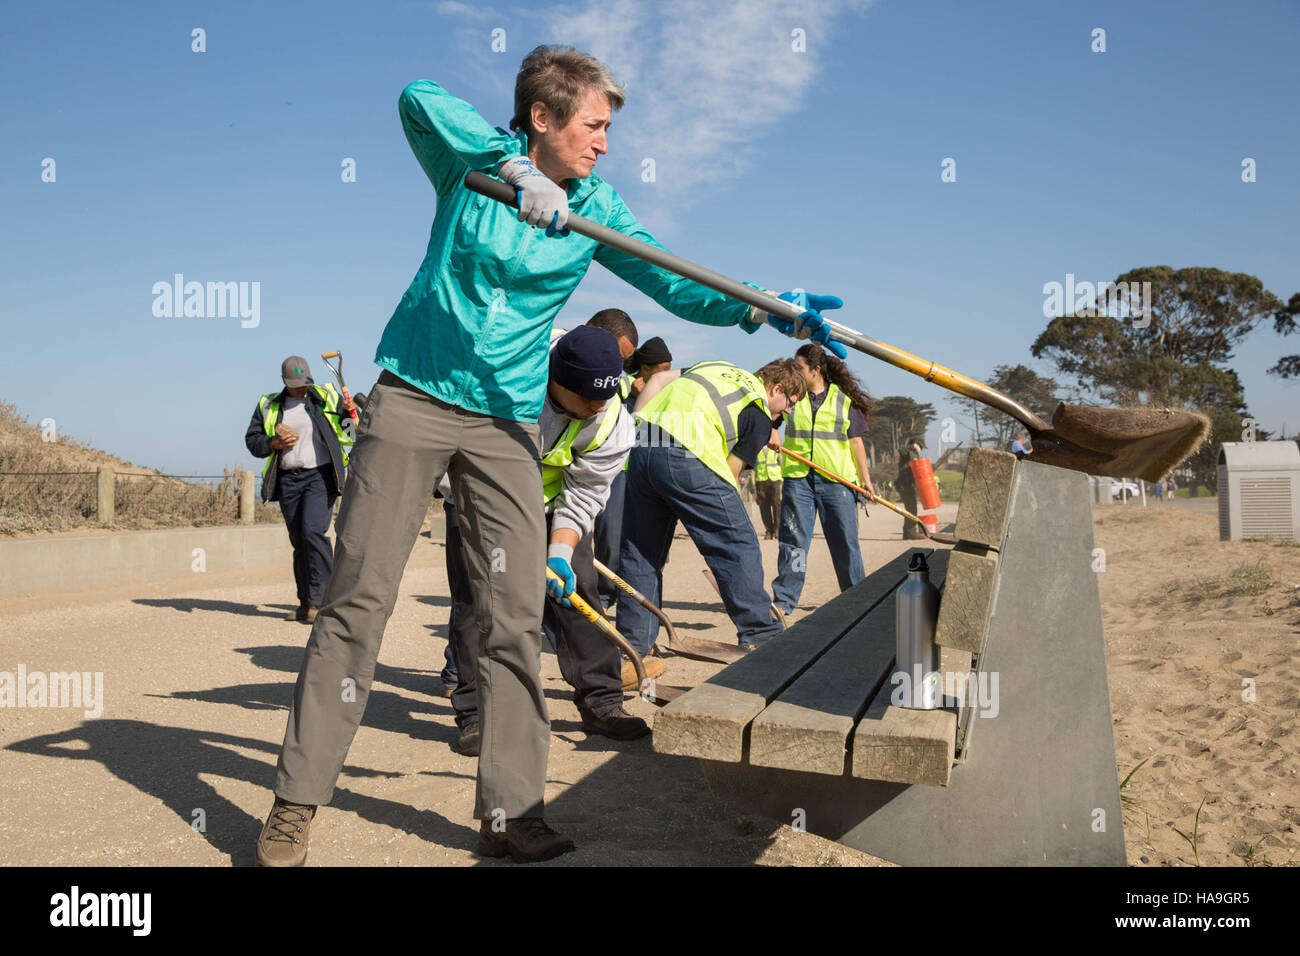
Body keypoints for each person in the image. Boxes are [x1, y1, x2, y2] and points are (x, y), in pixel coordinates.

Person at [254, 45, 843, 867]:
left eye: (607, 130)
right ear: (542, 118)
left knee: (513, 615)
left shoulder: (596, 205)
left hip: (504, 424)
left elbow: (672, 280)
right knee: (357, 603)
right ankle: (295, 802)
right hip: (417, 395)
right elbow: (417, 95)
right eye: (594, 126)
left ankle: (510, 814)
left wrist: (765, 311)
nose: (604, 143)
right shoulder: (470, 165)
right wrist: (506, 166)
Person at [444, 327, 652, 755]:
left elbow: (588, 491)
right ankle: (475, 714)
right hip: (477, 497)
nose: (599, 406)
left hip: (555, 504)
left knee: (579, 594)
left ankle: (602, 703)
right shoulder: (503, 378)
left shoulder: (612, 418)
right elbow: (451, 456)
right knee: (476, 603)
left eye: (605, 396)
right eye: (588, 399)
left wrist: (558, 551)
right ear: (555, 381)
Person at [615, 358, 806, 657]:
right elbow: (729, 478)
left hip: (642, 446)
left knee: (640, 551)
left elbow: (659, 379)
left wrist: (636, 423)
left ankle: (633, 647)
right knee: (738, 541)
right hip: (686, 453)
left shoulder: (715, 366)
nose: (789, 410)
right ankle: (761, 633)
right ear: (777, 388)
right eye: (791, 401)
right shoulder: (757, 412)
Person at [244, 356, 358, 625]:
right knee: (299, 542)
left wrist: (349, 412)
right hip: (288, 479)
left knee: (312, 532)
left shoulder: (324, 398)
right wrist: (273, 443)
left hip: (320, 476)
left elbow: (351, 436)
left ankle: (325, 601)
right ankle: (307, 603)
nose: (300, 388)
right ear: (284, 381)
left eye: (303, 383)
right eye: (294, 384)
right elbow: (253, 441)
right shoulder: (269, 404)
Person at [771, 343, 876, 616]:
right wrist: (770, 429)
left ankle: (857, 600)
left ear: (816, 370)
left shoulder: (843, 400)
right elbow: (768, 413)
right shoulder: (792, 396)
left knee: (845, 542)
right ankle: (783, 602)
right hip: (798, 479)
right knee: (794, 543)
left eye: (799, 367)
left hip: (837, 481)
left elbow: (856, 443)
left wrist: (865, 480)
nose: (794, 371)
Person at [583, 309, 639, 609]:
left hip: (610, 469)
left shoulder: (620, 381)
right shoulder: (562, 360)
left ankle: (604, 596)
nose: (618, 364)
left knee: (610, 536)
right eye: (616, 354)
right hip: (565, 468)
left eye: (624, 360)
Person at [626, 336, 672, 401]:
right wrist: (633, 397)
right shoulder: (622, 386)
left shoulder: (665, 390)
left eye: (669, 371)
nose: (668, 376)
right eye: (663, 372)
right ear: (645, 368)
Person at [754, 445, 783, 539]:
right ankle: (769, 531)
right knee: (763, 507)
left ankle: (777, 530)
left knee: (777, 506)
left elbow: (783, 464)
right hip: (761, 481)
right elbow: (753, 470)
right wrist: (753, 488)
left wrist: (783, 483)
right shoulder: (756, 451)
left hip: (775, 481)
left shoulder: (776, 448)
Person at [897, 442, 924, 540]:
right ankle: (911, 534)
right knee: (912, 509)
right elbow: (901, 449)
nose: (921, 449)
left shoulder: (914, 455)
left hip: (908, 485)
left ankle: (907, 534)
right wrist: (912, 446)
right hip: (905, 485)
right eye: (920, 446)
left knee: (910, 509)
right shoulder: (908, 452)